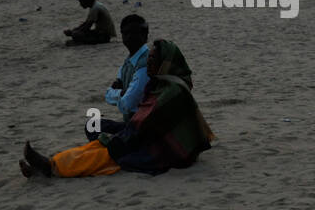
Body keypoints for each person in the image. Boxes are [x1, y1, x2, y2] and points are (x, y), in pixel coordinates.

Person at [20, 39, 214, 178]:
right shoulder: (162, 84)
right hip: (147, 136)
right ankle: (50, 164)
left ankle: (52, 167)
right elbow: (142, 121)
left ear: (165, 63)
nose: (149, 61)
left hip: (164, 151)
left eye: (153, 58)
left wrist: (117, 139)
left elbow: (146, 124)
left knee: (103, 155)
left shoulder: (174, 91)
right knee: (97, 144)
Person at [89, 14, 151, 137]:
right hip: (131, 123)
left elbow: (127, 104)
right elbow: (108, 96)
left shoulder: (146, 64)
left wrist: (118, 93)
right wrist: (121, 93)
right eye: (125, 33)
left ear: (144, 35)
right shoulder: (128, 63)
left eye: (133, 33)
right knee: (91, 125)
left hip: (142, 126)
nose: (129, 37)